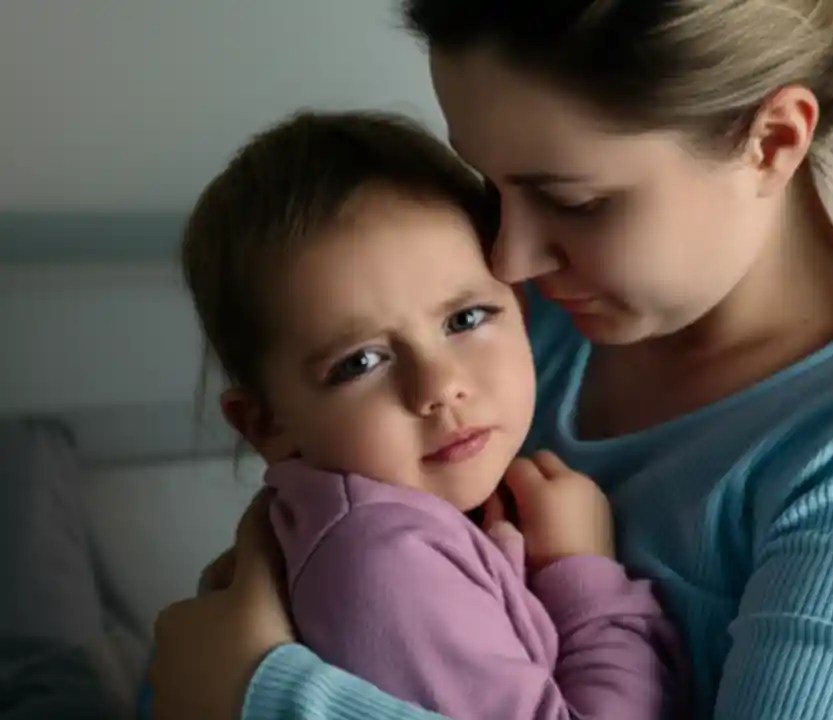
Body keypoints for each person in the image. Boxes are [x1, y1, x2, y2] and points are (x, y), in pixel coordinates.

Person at [149, 0, 833, 718]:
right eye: (489, 190)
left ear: (772, 142)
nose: (509, 261)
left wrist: (266, 693)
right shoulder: (507, 331)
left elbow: (237, 663)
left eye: (571, 200)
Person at [168, 111, 681, 719]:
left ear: (518, 305)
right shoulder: (383, 559)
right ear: (266, 424)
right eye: (360, 362)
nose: (438, 388)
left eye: (464, 320)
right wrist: (583, 573)